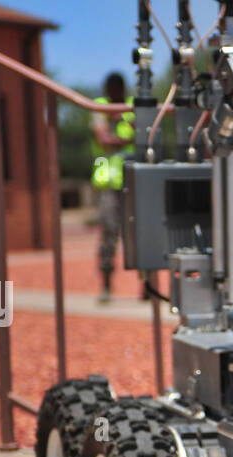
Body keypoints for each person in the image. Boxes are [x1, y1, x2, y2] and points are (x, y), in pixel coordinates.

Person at [91, 73, 135, 304]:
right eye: (112, 88)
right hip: (107, 182)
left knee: (138, 232)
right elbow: (103, 139)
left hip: (132, 179)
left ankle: (146, 286)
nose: (115, 92)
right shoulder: (99, 107)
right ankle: (106, 284)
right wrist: (125, 139)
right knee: (109, 232)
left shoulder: (132, 107)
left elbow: (143, 133)